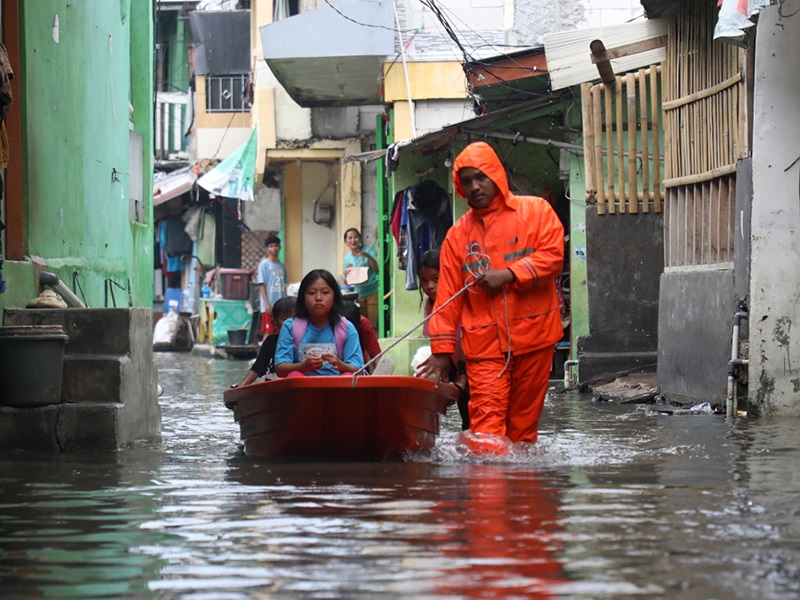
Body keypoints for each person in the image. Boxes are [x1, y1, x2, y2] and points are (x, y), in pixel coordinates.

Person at [416, 141, 565, 454]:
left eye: (480, 177)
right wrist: (442, 351)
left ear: (495, 175)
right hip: (485, 347)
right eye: (467, 181)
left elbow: (554, 257)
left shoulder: (536, 211)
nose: (474, 186)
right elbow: (447, 300)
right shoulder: (458, 235)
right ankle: (489, 498)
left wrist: (509, 274)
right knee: (486, 432)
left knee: (523, 431)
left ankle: (522, 498)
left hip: (535, 338)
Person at [417, 248, 470, 430]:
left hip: (470, 364)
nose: (429, 286)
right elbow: (435, 340)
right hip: (453, 364)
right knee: (466, 417)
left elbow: (462, 338)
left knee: (475, 413)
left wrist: (462, 376)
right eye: (424, 281)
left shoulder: (459, 300)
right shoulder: (430, 305)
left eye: (435, 279)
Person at [274, 269, 364, 377]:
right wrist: (302, 367)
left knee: (348, 377)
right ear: (303, 298)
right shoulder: (290, 327)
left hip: (338, 389)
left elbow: (357, 368)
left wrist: (341, 365)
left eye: (325, 292)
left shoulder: (346, 328)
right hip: (303, 390)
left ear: (334, 296)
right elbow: (280, 368)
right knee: (295, 375)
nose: (318, 298)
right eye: (312, 293)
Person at [239, 296, 296, 387]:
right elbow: (258, 367)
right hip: (275, 384)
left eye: (295, 318)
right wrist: (242, 386)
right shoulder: (271, 341)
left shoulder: (306, 341)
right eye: (285, 319)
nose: (291, 324)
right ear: (275, 324)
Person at [343, 227, 380, 329]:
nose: (353, 240)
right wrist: (346, 275)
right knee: (362, 324)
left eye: (355, 237)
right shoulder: (347, 259)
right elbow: (347, 282)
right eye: (350, 238)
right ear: (346, 242)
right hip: (359, 295)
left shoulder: (369, 250)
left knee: (372, 324)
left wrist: (368, 256)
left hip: (373, 292)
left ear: (359, 239)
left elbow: (376, 269)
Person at [257, 233, 287, 337]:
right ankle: (264, 353)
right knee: (268, 333)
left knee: (281, 333)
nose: (274, 249)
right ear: (267, 249)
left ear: (279, 247)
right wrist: (266, 304)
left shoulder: (282, 266)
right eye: (271, 246)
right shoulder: (264, 265)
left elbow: (285, 286)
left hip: (281, 306)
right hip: (269, 305)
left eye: (276, 246)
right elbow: (262, 285)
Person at [341, 299, 382, 372]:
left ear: (359, 323)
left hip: (359, 368)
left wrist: (380, 377)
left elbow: (376, 355)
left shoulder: (364, 324)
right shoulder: (330, 324)